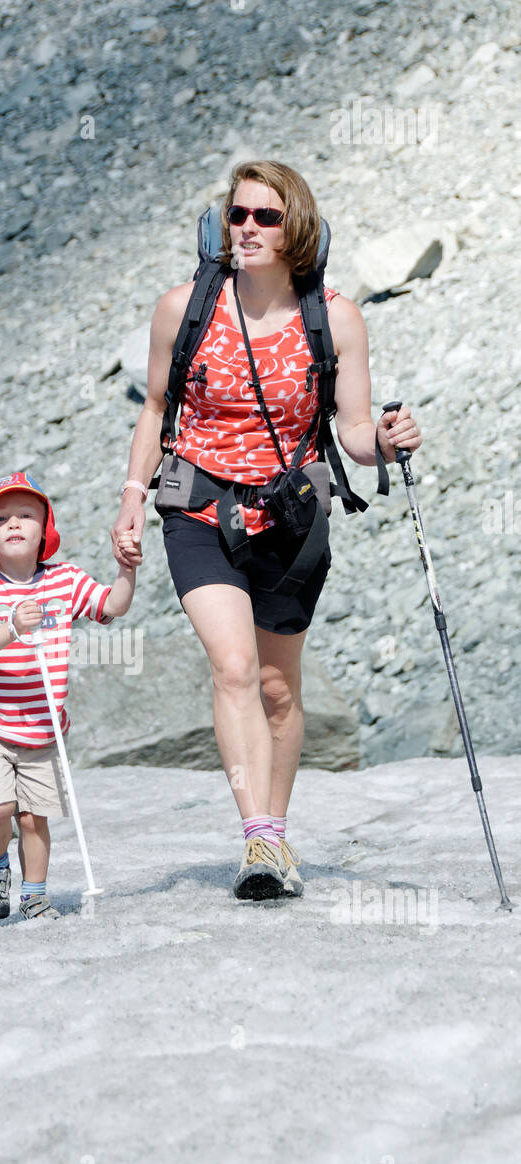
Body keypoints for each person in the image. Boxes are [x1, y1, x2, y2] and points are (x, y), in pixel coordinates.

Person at [110, 159, 422, 902]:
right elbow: (155, 409)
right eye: (236, 215)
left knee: (279, 689)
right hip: (197, 506)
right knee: (234, 668)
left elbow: (350, 433)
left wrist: (388, 440)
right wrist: (129, 493)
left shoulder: (334, 317)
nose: (245, 228)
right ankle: (256, 836)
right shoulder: (181, 307)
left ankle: (275, 836)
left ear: (296, 230)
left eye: (264, 218)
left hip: (290, 515)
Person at [0, 471, 138, 921]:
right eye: (0, 518)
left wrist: (125, 569)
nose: (13, 523)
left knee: (35, 818)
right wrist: (13, 627)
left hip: (43, 730)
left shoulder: (65, 581)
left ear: (45, 530)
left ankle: (35, 893)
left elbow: (111, 607)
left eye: (25, 515)